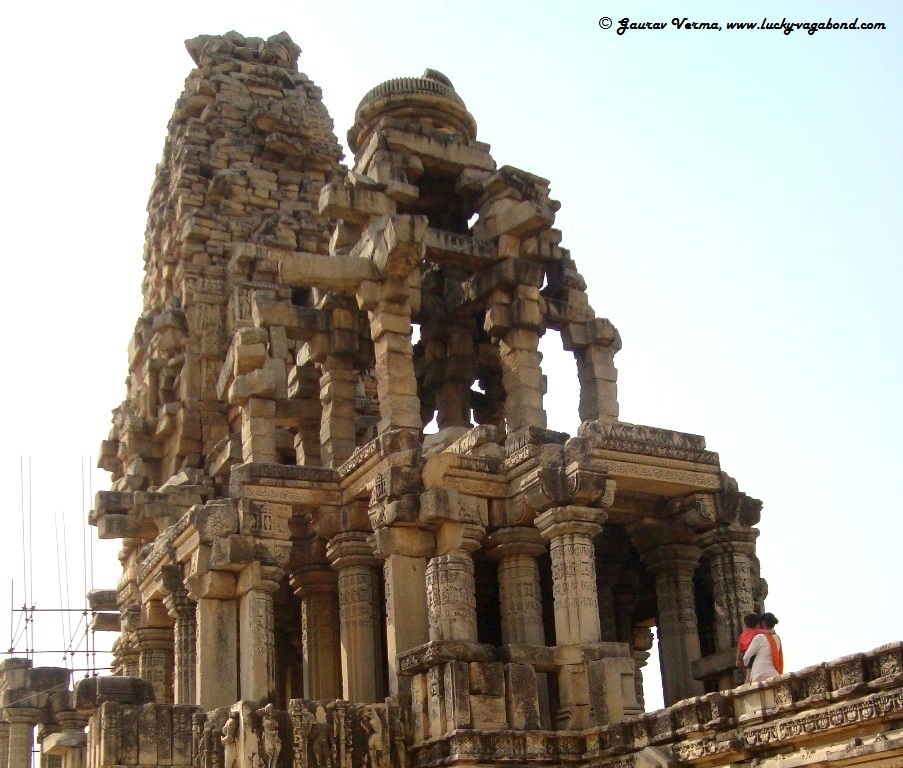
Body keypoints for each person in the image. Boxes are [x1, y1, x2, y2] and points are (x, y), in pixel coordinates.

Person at [743, 612, 784, 682]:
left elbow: (746, 657)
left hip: (759, 674)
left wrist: (747, 667)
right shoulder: (777, 639)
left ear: (763, 623)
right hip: (774, 674)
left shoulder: (759, 637)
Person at [735, 613, 761, 683]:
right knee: (750, 671)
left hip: (745, 654)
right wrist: (772, 631)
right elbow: (768, 632)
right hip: (753, 654)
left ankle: (747, 683)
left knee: (748, 671)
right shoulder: (757, 631)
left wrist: (737, 659)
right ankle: (747, 684)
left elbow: (739, 648)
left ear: (746, 625)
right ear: (757, 624)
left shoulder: (742, 635)